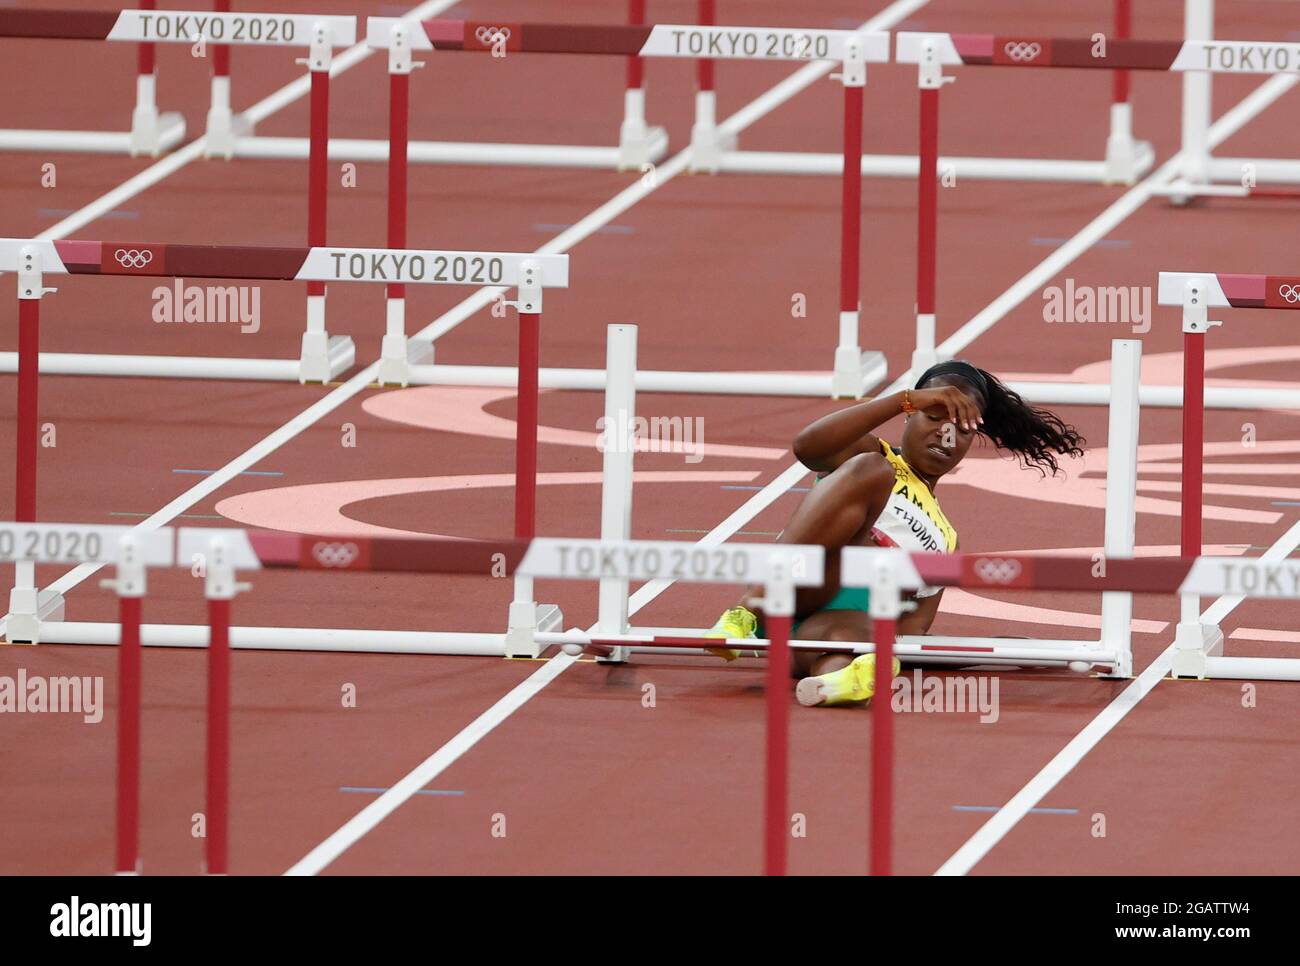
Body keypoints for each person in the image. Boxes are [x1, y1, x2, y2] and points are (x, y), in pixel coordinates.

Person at [704, 360, 1085, 707]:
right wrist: (905, 398)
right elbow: (807, 446)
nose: (946, 436)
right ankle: (747, 610)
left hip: (834, 629)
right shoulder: (874, 455)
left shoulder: (946, 539)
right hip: (796, 588)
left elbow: (913, 631)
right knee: (872, 472)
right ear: (909, 416)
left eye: (962, 429)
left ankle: (835, 683)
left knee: (862, 650)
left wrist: (1001, 650)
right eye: (934, 416)